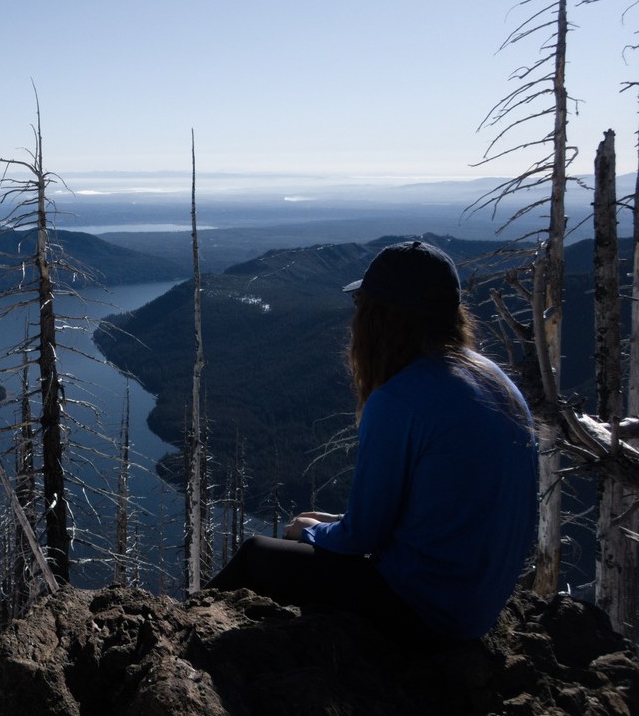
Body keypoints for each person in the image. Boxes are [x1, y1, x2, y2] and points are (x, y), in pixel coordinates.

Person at [207, 239, 538, 641]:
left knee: (256, 556)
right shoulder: (493, 378)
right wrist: (329, 526)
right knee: (311, 529)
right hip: (473, 608)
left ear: (378, 319)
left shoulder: (400, 399)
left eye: (360, 308)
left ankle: (184, 642)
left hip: (423, 613)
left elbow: (363, 537)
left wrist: (307, 531)